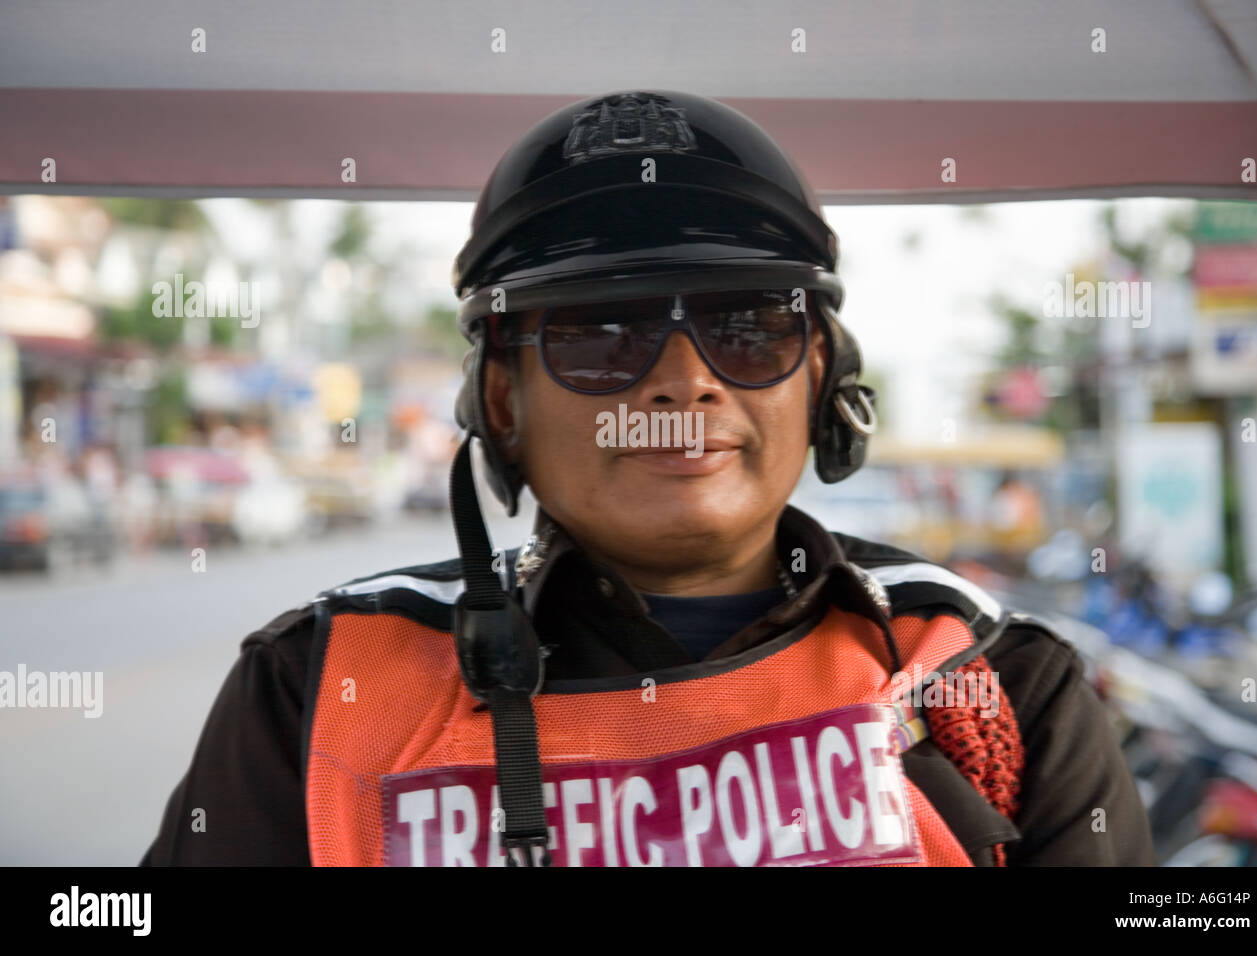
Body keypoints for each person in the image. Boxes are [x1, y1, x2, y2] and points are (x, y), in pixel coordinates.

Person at [142, 89, 1154, 867]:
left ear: (822, 380)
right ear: (501, 400)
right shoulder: (318, 684)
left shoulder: (989, 677)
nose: (682, 382)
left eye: (748, 328)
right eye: (597, 334)